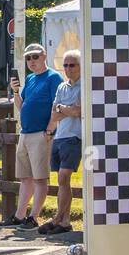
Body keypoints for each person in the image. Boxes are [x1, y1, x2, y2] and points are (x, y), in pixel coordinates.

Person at [10, 43, 62, 229]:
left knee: (40, 178)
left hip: (41, 133)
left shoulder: (53, 77)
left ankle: (33, 217)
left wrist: (49, 129)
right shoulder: (31, 79)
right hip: (25, 132)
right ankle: (19, 216)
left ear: (44, 56)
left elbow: (56, 105)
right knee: (25, 177)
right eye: (28, 58)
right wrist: (16, 91)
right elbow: (21, 106)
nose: (32, 61)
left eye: (35, 57)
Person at [40, 49, 82, 236]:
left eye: (72, 65)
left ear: (80, 66)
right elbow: (54, 113)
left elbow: (78, 111)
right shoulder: (62, 87)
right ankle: (65, 220)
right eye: (65, 65)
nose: (68, 69)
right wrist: (66, 109)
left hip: (75, 136)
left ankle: (58, 216)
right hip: (61, 135)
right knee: (62, 181)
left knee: (64, 177)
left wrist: (62, 108)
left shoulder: (85, 86)